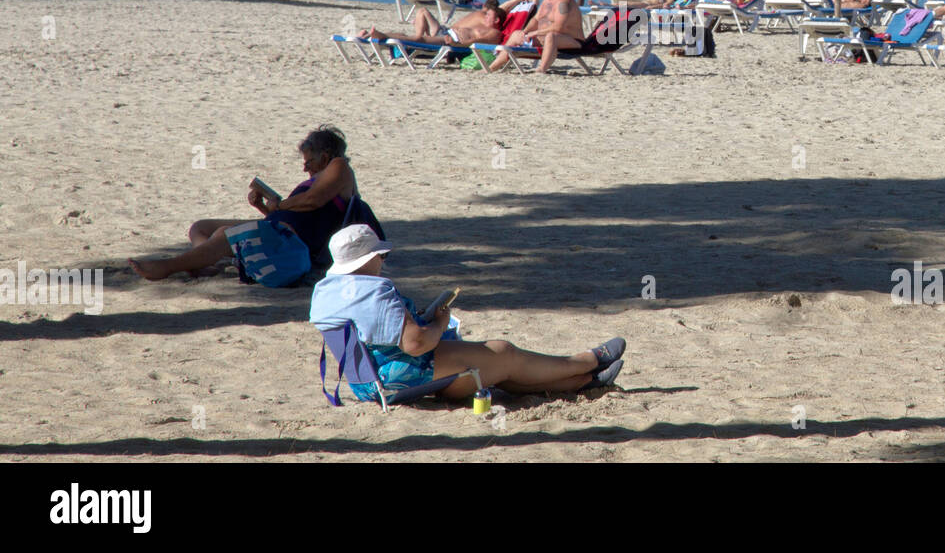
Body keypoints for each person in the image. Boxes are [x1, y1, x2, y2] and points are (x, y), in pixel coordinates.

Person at [309, 225, 625, 403]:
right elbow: (416, 344)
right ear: (369, 258)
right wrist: (440, 322)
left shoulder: (325, 291)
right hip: (397, 376)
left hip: (363, 382)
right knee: (503, 351)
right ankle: (587, 360)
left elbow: (370, 332)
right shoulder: (374, 289)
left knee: (498, 370)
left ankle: (582, 382)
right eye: (380, 255)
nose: (383, 261)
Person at [130, 126, 358, 282]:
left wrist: (279, 204)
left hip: (296, 240)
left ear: (325, 157)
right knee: (200, 227)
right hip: (281, 229)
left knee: (223, 233)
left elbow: (312, 201)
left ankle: (169, 267)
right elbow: (295, 211)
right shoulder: (321, 177)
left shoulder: (338, 167)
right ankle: (203, 262)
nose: (305, 168)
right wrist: (263, 207)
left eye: (308, 162)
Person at [489, 0, 583, 73]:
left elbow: (559, 27)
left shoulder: (564, 1)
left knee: (551, 36)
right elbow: (536, 19)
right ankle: (492, 68)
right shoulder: (547, 0)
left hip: (574, 42)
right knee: (516, 34)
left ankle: (541, 69)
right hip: (546, 40)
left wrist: (535, 33)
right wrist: (525, 32)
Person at [362, 1, 505, 46]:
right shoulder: (483, 25)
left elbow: (475, 42)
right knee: (422, 12)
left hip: (450, 40)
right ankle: (373, 35)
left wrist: (456, 44)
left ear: (497, 20)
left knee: (418, 39)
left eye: (488, 16)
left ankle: (380, 35)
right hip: (447, 32)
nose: (484, 17)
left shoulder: (494, 33)